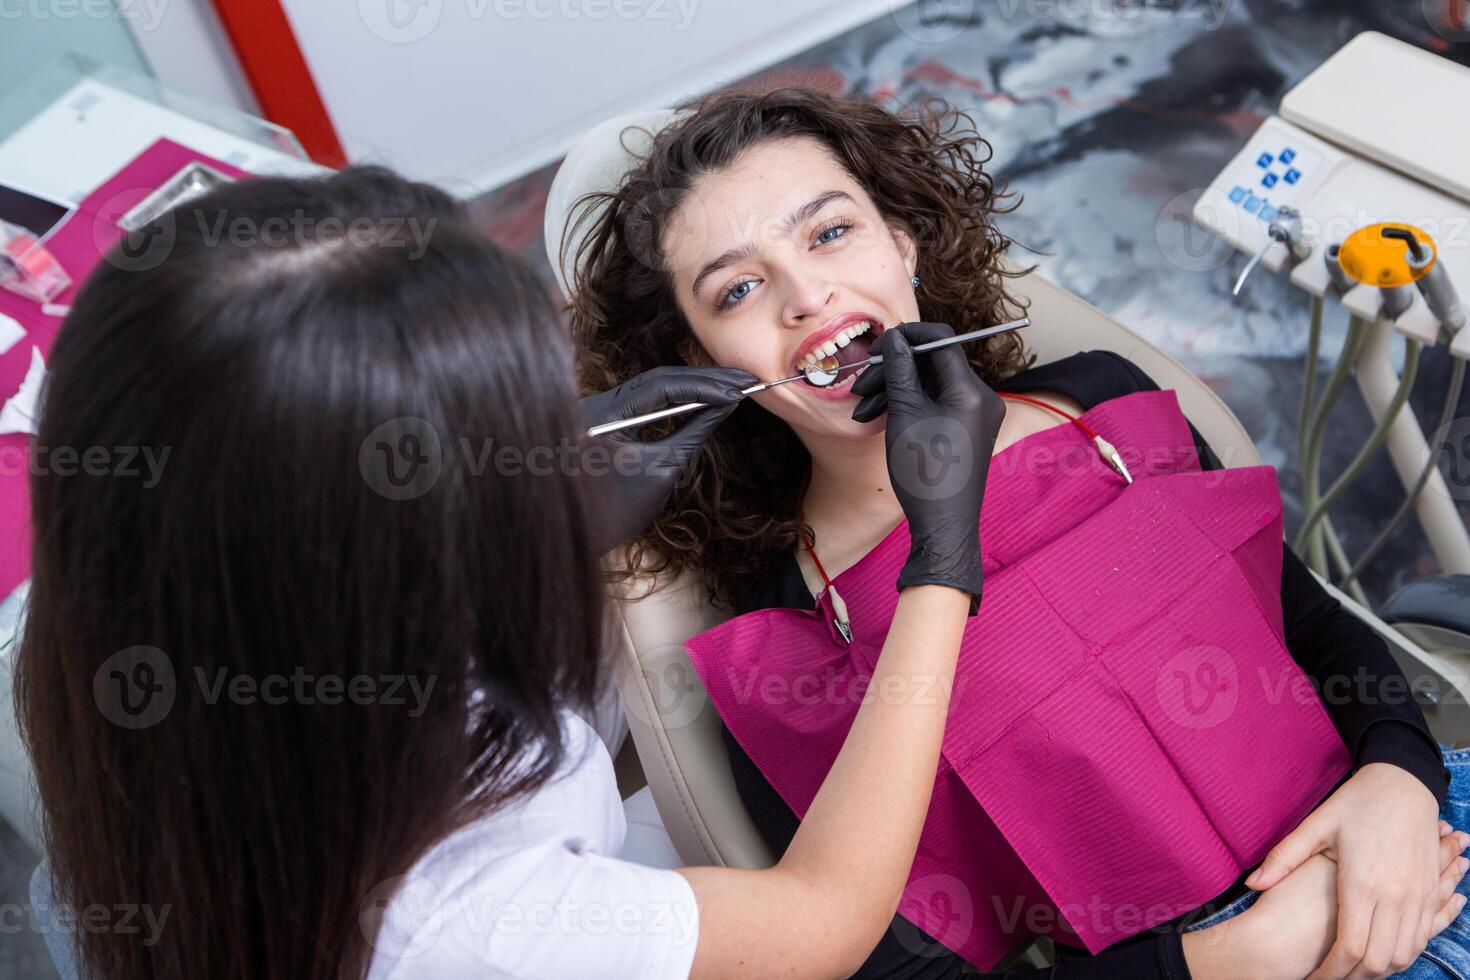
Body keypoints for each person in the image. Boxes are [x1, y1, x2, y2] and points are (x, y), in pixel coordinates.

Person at [565, 87, 1470, 978]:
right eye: (739, 288)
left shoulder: (1101, 400)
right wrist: (1231, 957)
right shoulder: (783, 634)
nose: (806, 294)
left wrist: (1400, 776)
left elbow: (1309, 622)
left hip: (1420, 833)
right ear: (704, 365)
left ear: (904, 243)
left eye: (831, 232)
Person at [16, 165, 1004, 979]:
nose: (806, 295)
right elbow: (821, 921)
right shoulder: (460, 910)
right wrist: (943, 560)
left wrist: (549, 521)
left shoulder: (129, 612)